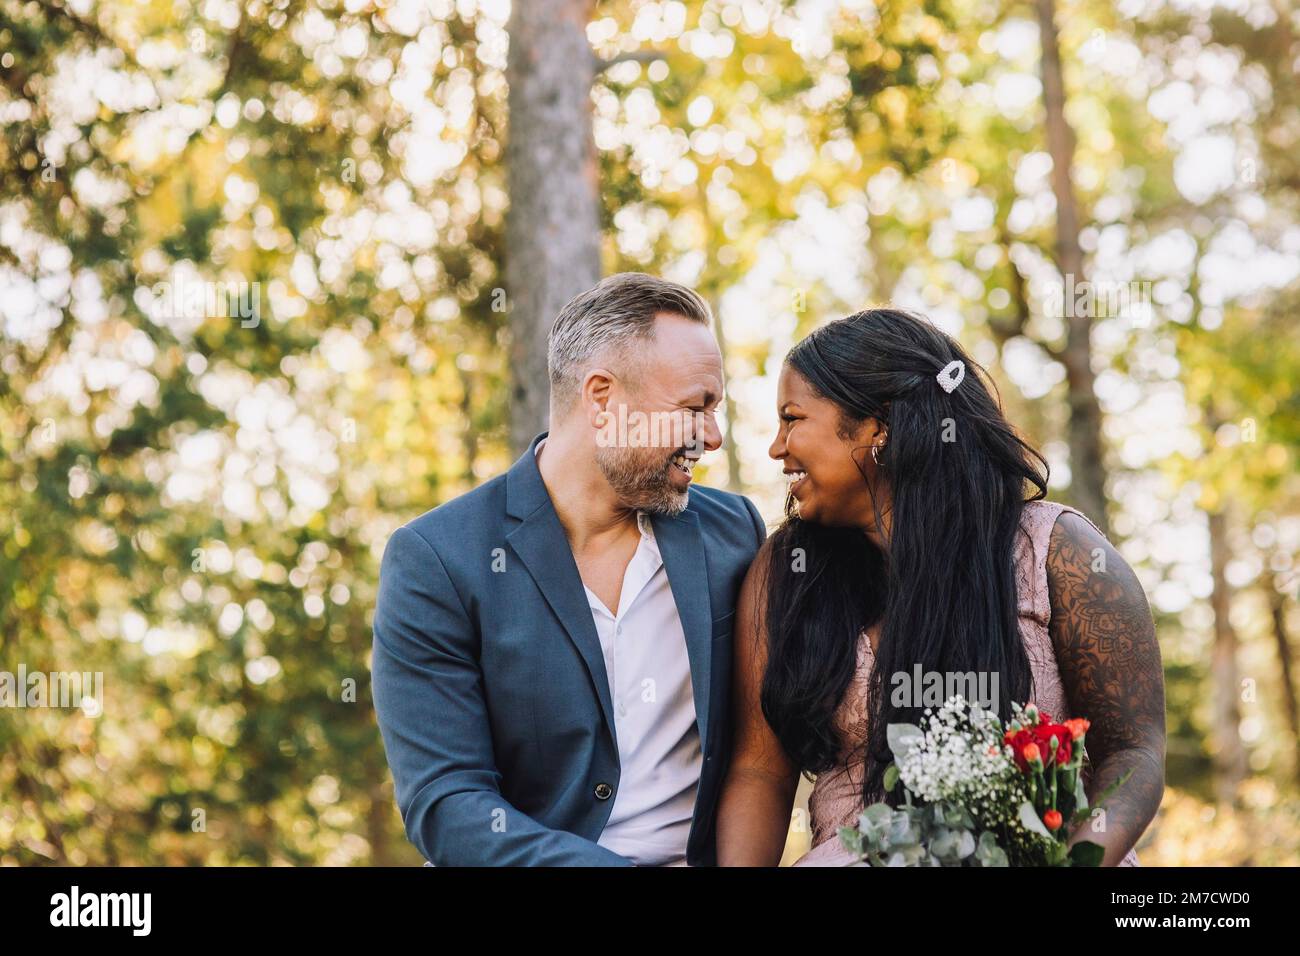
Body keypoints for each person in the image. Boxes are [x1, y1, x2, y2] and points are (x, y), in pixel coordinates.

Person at [716, 308, 1165, 866]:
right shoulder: (787, 572)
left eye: (792, 418)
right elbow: (759, 769)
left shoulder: (1060, 554)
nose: (776, 447)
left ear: (878, 425)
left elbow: (1133, 752)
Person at [373, 272, 765, 865]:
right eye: (693, 408)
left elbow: (758, 753)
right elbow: (445, 802)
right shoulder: (438, 559)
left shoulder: (734, 534)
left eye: (715, 410)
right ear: (602, 397)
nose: (710, 437)